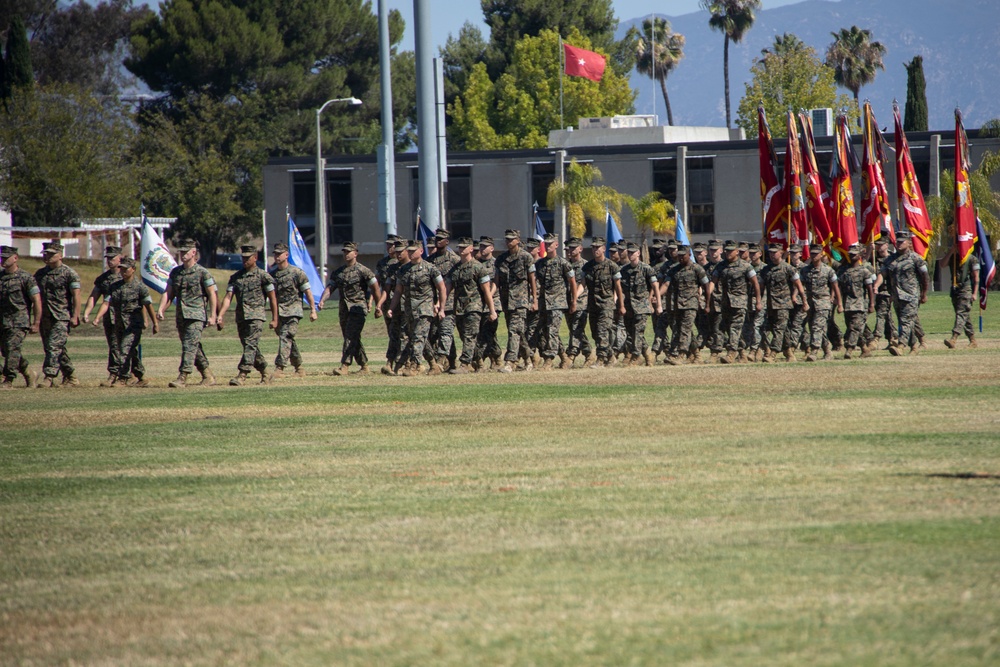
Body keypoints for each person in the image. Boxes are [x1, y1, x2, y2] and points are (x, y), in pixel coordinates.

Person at [157, 238, 218, 388]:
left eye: (185, 252)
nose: (183, 254)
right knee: (192, 346)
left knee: (189, 346)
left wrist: (213, 315)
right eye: (181, 252)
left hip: (196, 315)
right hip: (181, 316)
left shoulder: (203, 273)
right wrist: (161, 309)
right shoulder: (176, 272)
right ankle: (207, 375)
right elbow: (169, 293)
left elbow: (212, 294)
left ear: (193, 253)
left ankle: (183, 376)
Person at [90, 257, 158, 386]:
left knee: (124, 349)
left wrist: (155, 323)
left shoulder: (140, 287)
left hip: (133, 325)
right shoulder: (115, 286)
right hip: (119, 324)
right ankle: (140, 376)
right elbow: (106, 303)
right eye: (121, 268)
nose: (123, 271)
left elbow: (148, 305)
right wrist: (97, 317)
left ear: (133, 270)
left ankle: (123, 378)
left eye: (126, 269)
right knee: (130, 351)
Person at [217, 244, 278, 385]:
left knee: (250, 345)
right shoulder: (236, 278)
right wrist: (221, 314)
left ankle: (242, 375)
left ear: (255, 257)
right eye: (243, 257)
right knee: (250, 347)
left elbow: (273, 298)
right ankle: (265, 373)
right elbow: (228, 297)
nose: (245, 260)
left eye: (248, 258)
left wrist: (275, 318)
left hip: (256, 316)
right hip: (241, 317)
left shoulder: (263, 276)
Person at [320, 241, 382, 375]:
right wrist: (322, 300)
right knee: (353, 337)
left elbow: (375, 288)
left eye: (348, 252)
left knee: (350, 335)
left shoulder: (363, 271)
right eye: (344, 252)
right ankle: (364, 366)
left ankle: (345, 366)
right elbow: (330, 288)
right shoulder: (339, 272)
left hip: (358, 308)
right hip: (344, 310)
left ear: (355, 253)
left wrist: (378, 306)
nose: (346, 254)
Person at [387, 239, 446, 376]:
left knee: (418, 337)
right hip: (409, 310)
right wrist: (391, 307)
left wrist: (441, 307)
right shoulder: (403, 270)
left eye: (414, 251)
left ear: (421, 251)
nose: (411, 253)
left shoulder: (430, 268)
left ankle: (415, 365)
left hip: (425, 309)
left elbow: (442, 288)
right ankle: (433, 364)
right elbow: (398, 291)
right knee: (418, 338)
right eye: (410, 251)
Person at [445, 237, 497, 373]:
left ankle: (464, 364)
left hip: (474, 307)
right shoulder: (455, 269)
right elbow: (447, 288)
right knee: (465, 337)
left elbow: (487, 291)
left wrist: (492, 311)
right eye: (459, 247)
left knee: (470, 335)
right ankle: (478, 361)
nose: (461, 249)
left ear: (471, 249)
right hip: (459, 308)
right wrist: (440, 305)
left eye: (464, 247)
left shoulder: (478, 267)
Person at [34, 242, 82, 387]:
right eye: (45, 253)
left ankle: (48, 377)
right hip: (45, 317)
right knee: (52, 347)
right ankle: (70, 376)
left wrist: (75, 315)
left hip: (61, 316)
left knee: (54, 346)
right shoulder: (40, 274)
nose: (47, 256)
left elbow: (76, 296)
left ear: (60, 255)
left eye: (51, 254)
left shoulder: (69, 273)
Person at [875, 230, 929, 356]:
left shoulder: (915, 258)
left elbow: (925, 276)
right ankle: (914, 346)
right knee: (907, 321)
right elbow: (883, 274)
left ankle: (901, 346)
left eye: (901, 242)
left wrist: (924, 293)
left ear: (909, 243)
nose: (898, 244)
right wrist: (876, 286)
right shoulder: (890, 259)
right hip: (896, 296)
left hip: (911, 295)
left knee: (905, 320)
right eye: (897, 242)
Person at [268, 241, 317, 378]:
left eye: (279, 254)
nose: (277, 257)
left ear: (286, 255)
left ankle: (280, 368)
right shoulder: (272, 275)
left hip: (293, 311)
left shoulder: (297, 273)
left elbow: (308, 292)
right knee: (288, 340)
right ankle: (299, 367)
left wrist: (313, 310)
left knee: (286, 336)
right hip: (279, 313)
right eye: (275, 254)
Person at [494, 229, 538, 374]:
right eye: (507, 239)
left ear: (518, 240)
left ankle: (510, 362)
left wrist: (534, 300)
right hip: (506, 301)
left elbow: (532, 280)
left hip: (521, 301)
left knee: (514, 330)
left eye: (511, 239)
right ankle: (529, 358)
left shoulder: (526, 257)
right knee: (518, 332)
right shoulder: (501, 259)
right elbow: (497, 282)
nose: (508, 242)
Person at [711, 239, 762, 364]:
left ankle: (731, 353)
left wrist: (758, 301)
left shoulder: (746, 266)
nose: (728, 253)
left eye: (731, 251)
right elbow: (713, 281)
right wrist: (708, 295)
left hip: (740, 303)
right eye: (726, 251)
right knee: (729, 329)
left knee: (735, 328)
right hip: (725, 303)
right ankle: (742, 353)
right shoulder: (721, 266)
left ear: (737, 252)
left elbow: (755, 283)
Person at [661, 244, 711, 365]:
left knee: (685, 329)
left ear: (689, 255)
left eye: (683, 256)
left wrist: (708, 304)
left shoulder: (697, 269)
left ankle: (681, 355)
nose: (681, 258)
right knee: (682, 330)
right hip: (678, 304)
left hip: (691, 304)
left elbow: (706, 287)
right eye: (679, 256)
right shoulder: (673, 270)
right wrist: (656, 296)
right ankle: (697, 355)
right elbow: (666, 285)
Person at [0, 245, 41, 389]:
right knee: (8, 352)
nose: (3, 260)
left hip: (19, 321)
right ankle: (29, 372)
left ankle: (8, 379)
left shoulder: (26, 277)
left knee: (12, 348)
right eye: (2, 257)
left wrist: (36, 322)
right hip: (2, 321)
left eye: (6, 257)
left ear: (15, 258)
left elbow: (36, 300)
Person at [534, 233, 577, 370]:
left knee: (553, 330)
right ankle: (564, 357)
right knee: (547, 331)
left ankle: (549, 359)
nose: (547, 246)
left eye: (550, 244)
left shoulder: (563, 263)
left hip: (557, 302)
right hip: (543, 302)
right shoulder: (540, 263)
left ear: (556, 245)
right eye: (546, 243)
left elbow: (572, 283)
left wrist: (574, 301)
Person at [758, 243, 807, 362]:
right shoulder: (766, 269)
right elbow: (761, 287)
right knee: (781, 329)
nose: (772, 255)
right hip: (770, 305)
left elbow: (799, 285)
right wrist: (759, 301)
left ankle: (772, 354)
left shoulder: (788, 268)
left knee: (779, 329)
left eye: (774, 252)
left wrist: (804, 301)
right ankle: (789, 353)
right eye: (770, 252)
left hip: (784, 305)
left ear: (781, 253)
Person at [82, 245, 123, 386]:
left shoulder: (126, 276)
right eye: (108, 258)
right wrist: (87, 312)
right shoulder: (103, 279)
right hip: (109, 318)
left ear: (120, 258)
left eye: (113, 258)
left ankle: (133, 373)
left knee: (127, 346)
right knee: (113, 346)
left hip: (125, 317)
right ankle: (113, 374)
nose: (110, 261)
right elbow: (94, 296)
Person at [581, 237, 625, 367]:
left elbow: (618, 287)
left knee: (602, 332)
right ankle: (610, 356)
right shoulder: (587, 267)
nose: (595, 250)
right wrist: (575, 297)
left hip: (606, 305)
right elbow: (582, 285)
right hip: (593, 305)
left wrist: (621, 305)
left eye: (598, 247)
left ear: (603, 249)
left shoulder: (612, 266)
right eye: (593, 247)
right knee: (595, 334)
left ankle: (600, 359)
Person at [800, 243, 842, 362]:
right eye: (811, 253)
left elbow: (835, 286)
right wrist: (802, 300)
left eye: (816, 254)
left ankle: (814, 351)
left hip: (823, 303)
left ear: (821, 254)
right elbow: (800, 286)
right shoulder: (805, 270)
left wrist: (839, 304)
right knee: (819, 328)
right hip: (810, 303)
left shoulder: (828, 270)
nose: (813, 256)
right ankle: (828, 351)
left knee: (816, 327)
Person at [619, 241, 660, 366]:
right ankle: (648, 355)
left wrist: (658, 304)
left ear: (638, 253)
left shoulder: (646, 269)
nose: (630, 254)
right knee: (632, 333)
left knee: (638, 331)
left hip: (642, 306)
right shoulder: (624, 270)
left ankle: (635, 357)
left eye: (633, 252)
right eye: (629, 252)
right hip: (628, 307)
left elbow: (655, 286)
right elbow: (619, 288)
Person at [427, 228, 460, 371]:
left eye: (441, 239)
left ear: (447, 242)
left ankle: (440, 362)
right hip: (433, 303)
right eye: (436, 238)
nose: (437, 241)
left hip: (450, 302)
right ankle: (451, 361)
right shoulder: (429, 261)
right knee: (434, 334)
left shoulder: (455, 260)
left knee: (446, 332)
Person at [838, 244, 875, 359]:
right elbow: (838, 286)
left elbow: (869, 289)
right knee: (853, 328)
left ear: (859, 255)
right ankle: (865, 349)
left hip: (860, 304)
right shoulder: (844, 270)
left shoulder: (864, 271)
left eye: (854, 254)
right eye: (850, 254)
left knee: (854, 328)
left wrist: (872, 304)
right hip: (847, 304)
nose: (851, 256)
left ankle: (849, 349)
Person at [474, 236, 504, 370]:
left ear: (492, 248)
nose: (482, 248)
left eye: (485, 246)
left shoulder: (497, 263)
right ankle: (495, 357)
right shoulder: (476, 263)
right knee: (483, 332)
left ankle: (492, 357)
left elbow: (497, 283)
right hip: (479, 303)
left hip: (494, 301)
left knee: (489, 331)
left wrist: (489, 297)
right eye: (481, 246)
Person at [944, 237, 980, 349]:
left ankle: (954, 338)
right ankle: (973, 340)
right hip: (955, 290)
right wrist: (951, 252)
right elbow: (942, 264)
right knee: (964, 315)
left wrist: (975, 293)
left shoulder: (972, 259)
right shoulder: (953, 258)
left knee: (961, 314)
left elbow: (976, 278)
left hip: (966, 289)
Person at [564, 237, 592, 367]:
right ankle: (588, 353)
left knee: (576, 328)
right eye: (570, 247)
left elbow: (584, 284)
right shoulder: (566, 264)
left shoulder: (586, 265)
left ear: (580, 249)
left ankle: (571, 355)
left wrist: (575, 299)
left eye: (574, 247)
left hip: (581, 302)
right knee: (574, 330)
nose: (571, 250)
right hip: (567, 301)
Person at [872, 237, 897, 349]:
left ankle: (876, 338)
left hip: (888, 291)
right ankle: (893, 338)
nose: (879, 247)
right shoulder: (873, 259)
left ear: (887, 245)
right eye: (877, 245)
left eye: (881, 244)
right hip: (877, 291)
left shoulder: (893, 259)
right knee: (887, 315)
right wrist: (869, 251)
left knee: (882, 314)